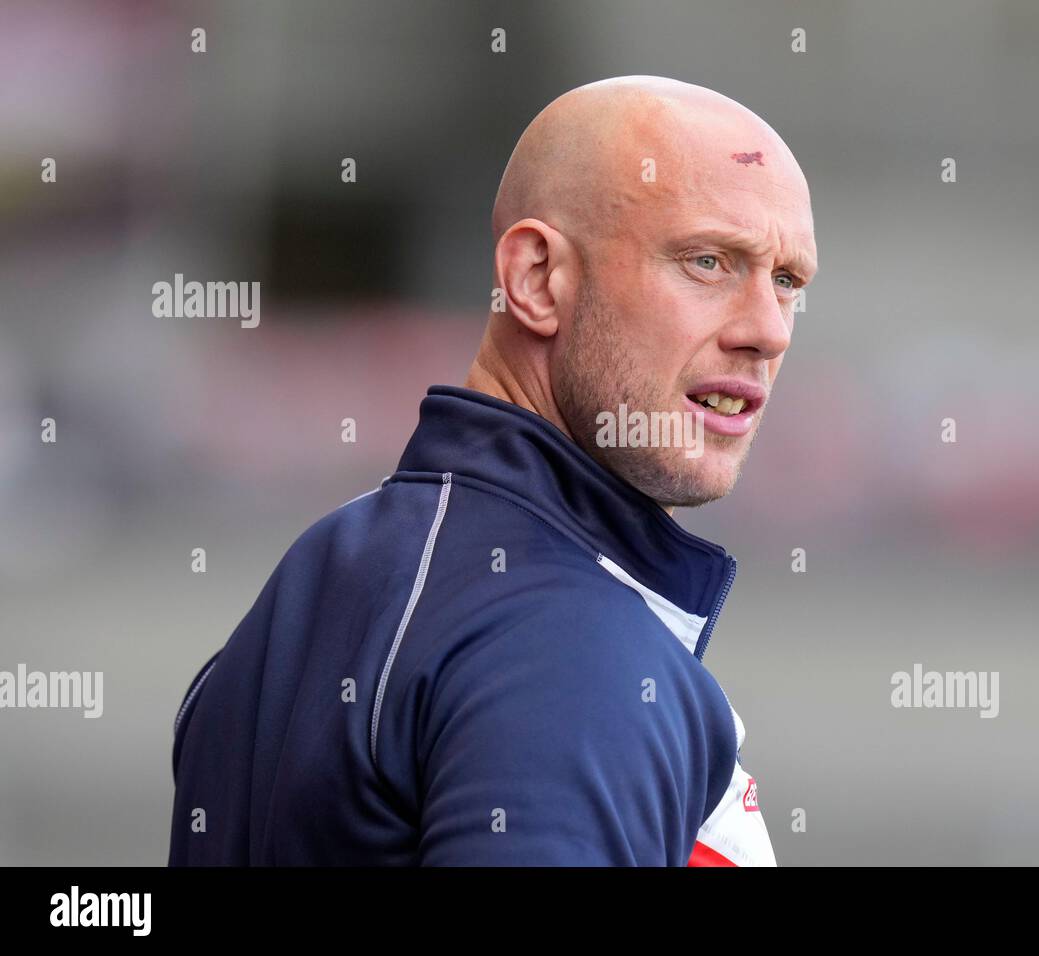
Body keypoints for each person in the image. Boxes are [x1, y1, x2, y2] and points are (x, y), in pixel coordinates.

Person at [168, 74, 818, 866]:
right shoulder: (570, 651)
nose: (769, 331)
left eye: (787, 282)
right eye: (710, 261)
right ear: (537, 278)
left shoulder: (321, 578)